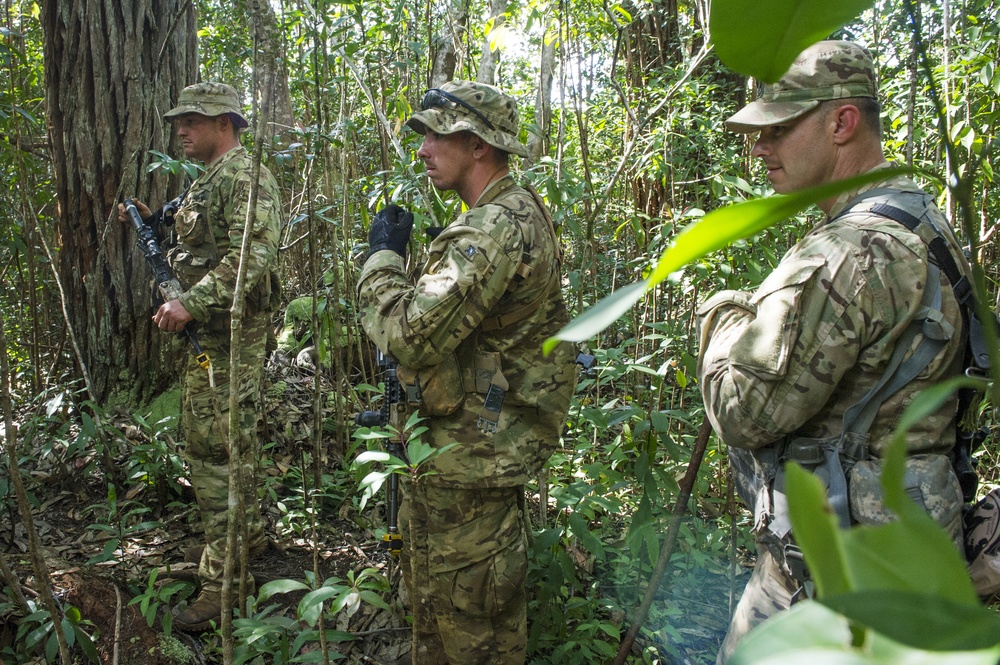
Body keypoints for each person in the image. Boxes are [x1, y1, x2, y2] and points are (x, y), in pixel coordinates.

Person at [696, 41, 973, 662]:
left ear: (842, 122)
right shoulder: (923, 219)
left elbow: (742, 410)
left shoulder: (845, 253)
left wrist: (721, 317)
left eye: (779, 129)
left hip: (832, 586)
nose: (759, 149)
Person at [355, 80, 577, 664]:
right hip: (464, 453)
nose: (423, 149)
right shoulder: (504, 214)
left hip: (472, 460)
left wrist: (381, 260)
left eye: (436, 134)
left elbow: (409, 334)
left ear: (480, 145)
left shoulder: (493, 227)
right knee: (443, 614)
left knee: (471, 630)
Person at [119, 82, 281, 631]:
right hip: (211, 338)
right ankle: (242, 547)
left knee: (217, 455)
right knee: (218, 446)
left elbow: (251, 256)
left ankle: (227, 585)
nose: (182, 130)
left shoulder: (245, 175)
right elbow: (203, 234)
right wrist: (157, 217)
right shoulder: (212, 179)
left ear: (226, 124)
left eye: (193, 120)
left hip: (230, 337)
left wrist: (191, 302)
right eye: (180, 120)